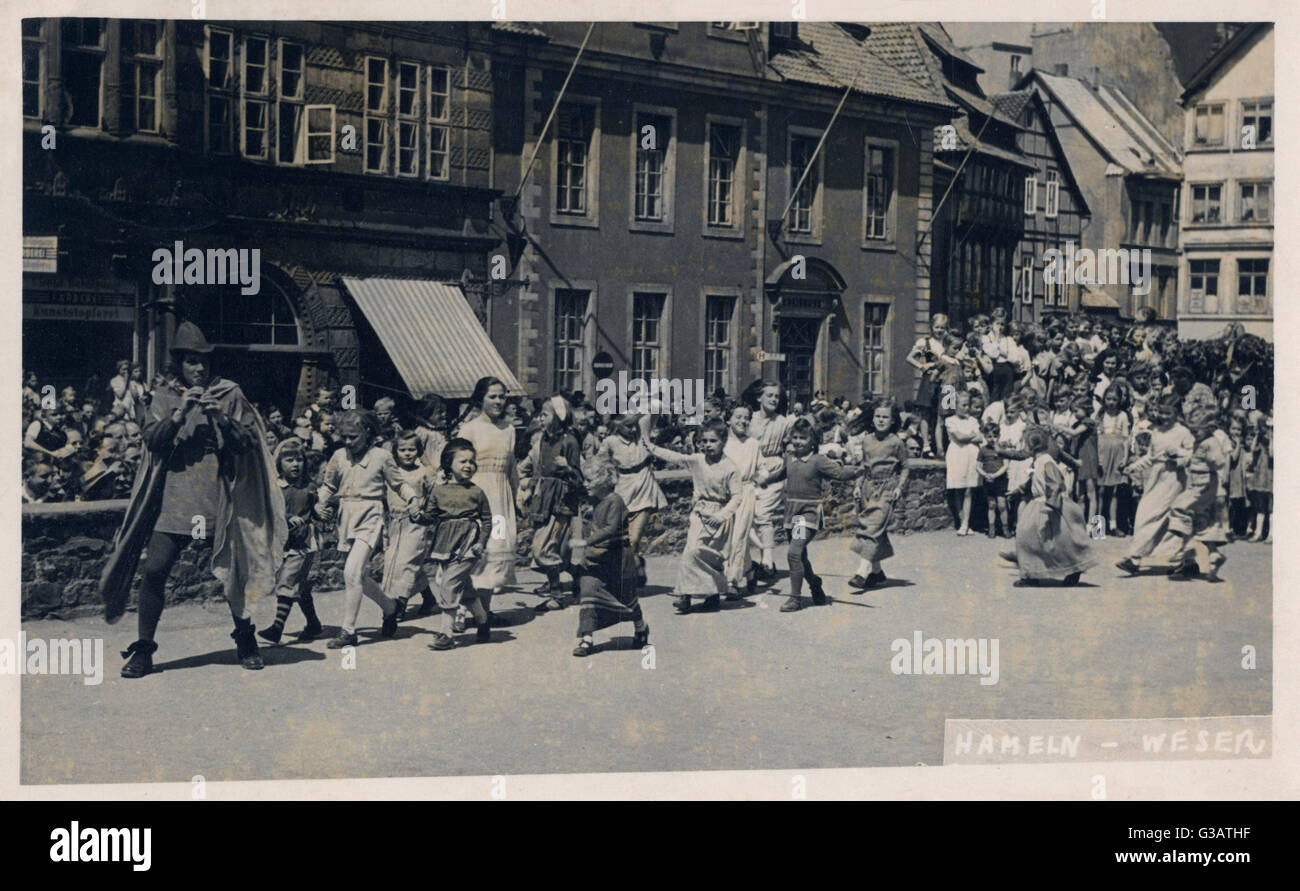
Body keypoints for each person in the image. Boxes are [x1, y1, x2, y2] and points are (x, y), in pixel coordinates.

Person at [101, 321, 287, 677]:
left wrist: (220, 417)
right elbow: (153, 440)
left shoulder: (229, 394)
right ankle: (144, 651)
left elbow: (249, 443)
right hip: (174, 500)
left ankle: (245, 640)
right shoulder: (163, 395)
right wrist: (181, 412)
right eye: (191, 362)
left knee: (234, 573)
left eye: (203, 361)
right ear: (179, 365)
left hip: (220, 500)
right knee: (154, 571)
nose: (199, 368)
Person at [314, 411, 414, 648]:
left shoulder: (381, 456)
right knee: (358, 575)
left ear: (367, 432)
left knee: (351, 572)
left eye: (353, 437)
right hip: (346, 516)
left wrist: (414, 500)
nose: (348, 442)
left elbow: (398, 484)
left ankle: (348, 632)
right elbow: (329, 485)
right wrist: (318, 504)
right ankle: (390, 607)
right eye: (344, 437)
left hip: (372, 515)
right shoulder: (339, 456)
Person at [756, 418, 864, 611]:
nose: (797, 441)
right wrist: (766, 480)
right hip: (792, 514)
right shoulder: (789, 458)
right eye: (795, 437)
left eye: (803, 438)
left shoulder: (818, 461)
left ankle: (795, 599)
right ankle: (815, 583)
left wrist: (859, 471)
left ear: (813, 441)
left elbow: (839, 473)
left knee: (793, 553)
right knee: (801, 558)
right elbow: (783, 473)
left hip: (808, 514)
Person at [642, 418, 742, 615]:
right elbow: (674, 456)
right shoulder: (697, 460)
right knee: (691, 551)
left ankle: (712, 595)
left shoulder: (730, 468)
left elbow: (737, 496)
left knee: (710, 557)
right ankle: (685, 596)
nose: (707, 445)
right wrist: (651, 446)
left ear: (724, 441)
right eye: (704, 441)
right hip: (700, 514)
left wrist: (723, 515)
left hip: (719, 516)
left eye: (713, 441)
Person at [570, 455, 650, 657]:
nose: (585, 484)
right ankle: (586, 639)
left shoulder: (615, 501)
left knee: (626, 598)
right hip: (595, 559)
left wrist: (585, 542)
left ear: (603, 482)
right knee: (588, 591)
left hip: (616, 559)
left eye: (589, 481)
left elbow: (610, 528)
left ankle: (640, 627)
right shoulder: (595, 500)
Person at [454, 377, 518, 623]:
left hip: (501, 499)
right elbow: (458, 464)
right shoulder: (469, 429)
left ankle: (485, 612)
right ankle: (459, 612)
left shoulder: (509, 429)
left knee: (496, 551)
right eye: (493, 396)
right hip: (476, 496)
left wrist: (517, 494)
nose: (499, 401)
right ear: (480, 398)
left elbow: (511, 467)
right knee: (474, 554)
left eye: (502, 396)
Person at [425, 439, 494, 650]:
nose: (468, 466)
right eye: (463, 461)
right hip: (445, 543)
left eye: (472, 462)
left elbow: (488, 520)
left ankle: (446, 633)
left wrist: (481, 542)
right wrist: (416, 514)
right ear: (448, 464)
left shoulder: (477, 492)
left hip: (468, 543)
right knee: (464, 588)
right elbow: (428, 516)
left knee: (449, 583)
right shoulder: (438, 491)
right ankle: (483, 620)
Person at [518, 395, 585, 610]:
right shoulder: (543, 439)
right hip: (542, 499)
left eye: (545, 415)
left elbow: (579, 478)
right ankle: (578, 576)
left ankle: (557, 594)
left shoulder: (570, 441)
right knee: (553, 550)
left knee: (541, 549)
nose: (540, 418)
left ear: (558, 417)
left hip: (561, 502)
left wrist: (567, 467)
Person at [1116, 395, 1193, 575]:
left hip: (1174, 479)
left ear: (1177, 413)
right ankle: (1188, 561)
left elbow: (1193, 455)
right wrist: (1132, 467)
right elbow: (1151, 456)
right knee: (1155, 516)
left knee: (1151, 515)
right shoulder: (1157, 431)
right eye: (1162, 412)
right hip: (1156, 478)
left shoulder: (1183, 432)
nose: (1164, 417)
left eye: (1169, 413)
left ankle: (1134, 559)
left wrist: (1179, 453)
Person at [259, 438, 325, 644]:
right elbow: (269, 512)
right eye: (289, 460)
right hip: (283, 543)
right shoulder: (275, 488)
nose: (295, 464)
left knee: (287, 582)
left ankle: (276, 629)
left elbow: (315, 511)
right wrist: (286, 518)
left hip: (303, 543)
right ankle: (313, 624)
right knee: (301, 588)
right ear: (279, 463)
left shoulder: (309, 487)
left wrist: (321, 513)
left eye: (299, 460)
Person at [1011, 426, 1094, 586]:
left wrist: (1052, 503)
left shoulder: (1046, 462)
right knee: (1031, 537)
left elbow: (1055, 483)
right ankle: (1033, 573)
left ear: (1031, 446)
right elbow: (1035, 481)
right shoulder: (1039, 461)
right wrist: (1020, 489)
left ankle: (1067, 570)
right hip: (1040, 502)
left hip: (1048, 504)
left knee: (1034, 537)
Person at [846, 402, 910, 590]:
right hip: (868, 488)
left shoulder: (896, 442)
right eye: (878, 416)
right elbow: (863, 466)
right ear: (872, 419)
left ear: (892, 421)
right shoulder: (866, 440)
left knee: (872, 528)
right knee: (876, 530)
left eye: (885, 417)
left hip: (887, 489)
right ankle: (877, 572)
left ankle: (861, 572)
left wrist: (900, 487)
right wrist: (857, 485)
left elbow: (905, 467)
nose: (881, 420)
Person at [1167, 406, 1229, 581]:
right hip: (1196, 484)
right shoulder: (1199, 442)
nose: (1194, 434)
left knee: (1179, 507)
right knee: (1202, 524)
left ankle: (1186, 549)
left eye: (1197, 431)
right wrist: (1178, 459)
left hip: (1204, 486)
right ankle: (1214, 557)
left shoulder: (1212, 442)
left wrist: (1213, 462)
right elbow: (1192, 459)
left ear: (1209, 429)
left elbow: (1220, 462)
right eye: (1192, 431)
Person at [382, 431, 438, 620]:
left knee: (407, 562)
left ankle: (400, 603)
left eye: (412, 449)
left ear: (418, 450)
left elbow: (433, 495)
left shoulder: (424, 471)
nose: (407, 453)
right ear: (395, 451)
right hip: (395, 522)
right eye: (403, 449)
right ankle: (429, 598)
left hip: (416, 522)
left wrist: (427, 514)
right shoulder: (391, 472)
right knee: (399, 563)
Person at [596, 412, 667, 563]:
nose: (633, 429)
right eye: (628, 426)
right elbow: (600, 464)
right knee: (622, 540)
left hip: (644, 487)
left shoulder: (642, 432)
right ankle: (633, 569)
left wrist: (639, 408)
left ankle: (631, 569)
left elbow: (657, 409)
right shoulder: (610, 441)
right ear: (617, 424)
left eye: (634, 425)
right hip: (623, 490)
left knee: (634, 539)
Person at [747, 381, 793, 582]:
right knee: (746, 516)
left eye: (777, 396)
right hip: (750, 468)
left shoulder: (783, 422)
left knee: (762, 514)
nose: (774, 399)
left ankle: (767, 559)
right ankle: (757, 558)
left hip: (773, 470)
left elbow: (790, 452)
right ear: (759, 398)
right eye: (770, 395)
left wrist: (778, 472)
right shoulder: (750, 419)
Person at [721, 403, 762, 598]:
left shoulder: (753, 444)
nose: (742, 421)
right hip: (724, 494)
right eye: (738, 417)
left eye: (746, 418)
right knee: (727, 537)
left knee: (738, 535)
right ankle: (749, 569)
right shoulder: (722, 443)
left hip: (745, 491)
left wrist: (763, 476)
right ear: (728, 419)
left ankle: (732, 581)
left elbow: (763, 467)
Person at [944, 390, 981, 536]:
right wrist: (971, 435)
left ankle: (966, 523)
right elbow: (958, 437)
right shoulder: (950, 420)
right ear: (955, 406)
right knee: (958, 489)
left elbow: (980, 438)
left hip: (971, 455)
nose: (967, 408)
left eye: (968, 405)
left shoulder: (973, 421)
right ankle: (961, 523)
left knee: (968, 490)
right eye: (964, 405)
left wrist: (969, 436)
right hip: (957, 456)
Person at [1096, 384, 1131, 536]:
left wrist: (1125, 458)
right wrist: (1097, 458)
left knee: (1114, 491)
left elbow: (1126, 439)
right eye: (1108, 399)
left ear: (1119, 401)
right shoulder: (1100, 415)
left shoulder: (1122, 416)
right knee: (1101, 491)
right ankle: (1097, 527)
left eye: (1114, 399)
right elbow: (1095, 438)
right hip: (1102, 454)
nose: (1111, 402)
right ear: (1104, 399)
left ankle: (1113, 525)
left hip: (1117, 454)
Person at [976, 420, 1009, 539]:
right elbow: (978, 466)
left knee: (1002, 505)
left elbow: (1005, 465)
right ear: (985, 436)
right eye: (989, 436)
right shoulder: (983, 450)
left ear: (999, 436)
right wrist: (985, 474)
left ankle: (1005, 528)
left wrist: (995, 475)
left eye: (995, 436)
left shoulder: (1001, 449)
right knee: (991, 505)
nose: (992, 439)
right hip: (988, 481)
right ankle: (991, 528)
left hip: (1000, 480)